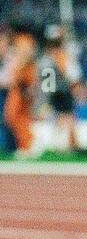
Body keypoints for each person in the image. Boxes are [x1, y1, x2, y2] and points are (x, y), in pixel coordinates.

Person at [2, 27, 39, 158]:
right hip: (19, 85)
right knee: (14, 117)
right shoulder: (18, 43)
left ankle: (27, 145)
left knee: (16, 116)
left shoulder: (23, 40)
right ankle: (25, 145)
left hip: (22, 85)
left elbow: (27, 57)